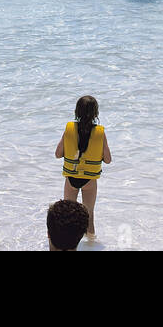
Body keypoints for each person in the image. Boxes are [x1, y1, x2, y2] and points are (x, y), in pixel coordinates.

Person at [56, 95, 111, 238]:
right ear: (95, 113)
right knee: (89, 214)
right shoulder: (100, 133)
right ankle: (91, 243)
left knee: (68, 214)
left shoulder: (69, 129)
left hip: (71, 178)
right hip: (89, 180)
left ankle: (68, 242)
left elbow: (58, 154)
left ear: (77, 111)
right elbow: (108, 160)